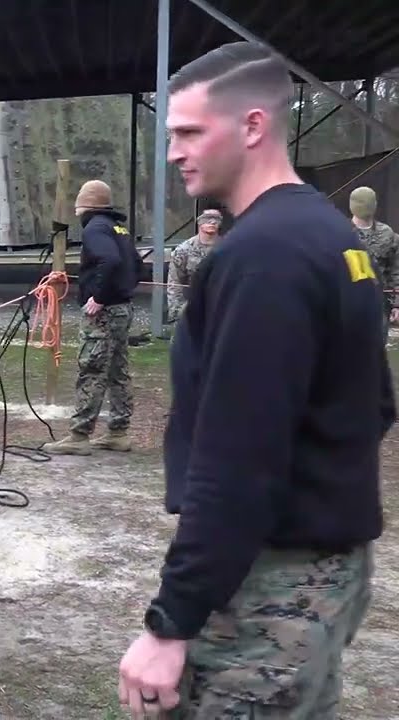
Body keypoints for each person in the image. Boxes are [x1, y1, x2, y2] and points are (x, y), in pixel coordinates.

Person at [118, 42, 393, 719]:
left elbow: (237, 461)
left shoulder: (263, 256)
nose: (173, 151)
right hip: (328, 569)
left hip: (274, 582)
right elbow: (377, 404)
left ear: (251, 126)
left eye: (188, 132)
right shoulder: (334, 236)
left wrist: (170, 623)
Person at [41, 179, 141, 456]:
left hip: (105, 314)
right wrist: (123, 290)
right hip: (123, 309)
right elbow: (136, 262)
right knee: (117, 372)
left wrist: (99, 296)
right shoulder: (118, 227)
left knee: (92, 370)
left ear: (85, 203)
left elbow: (110, 260)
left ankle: (79, 435)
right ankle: (118, 432)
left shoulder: (95, 227)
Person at [348, 186, 399, 330]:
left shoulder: (387, 235)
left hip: (379, 305)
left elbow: (396, 270)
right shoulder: (340, 233)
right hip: (347, 305)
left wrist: (397, 304)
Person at [166, 208, 223, 322]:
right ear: (199, 222)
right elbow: (175, 283)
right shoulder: (184, 250)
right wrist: (178, 313)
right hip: (191, 308)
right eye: (207, 219)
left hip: (220, 310)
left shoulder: (228, 248)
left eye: (216, 219)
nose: (212, 222)